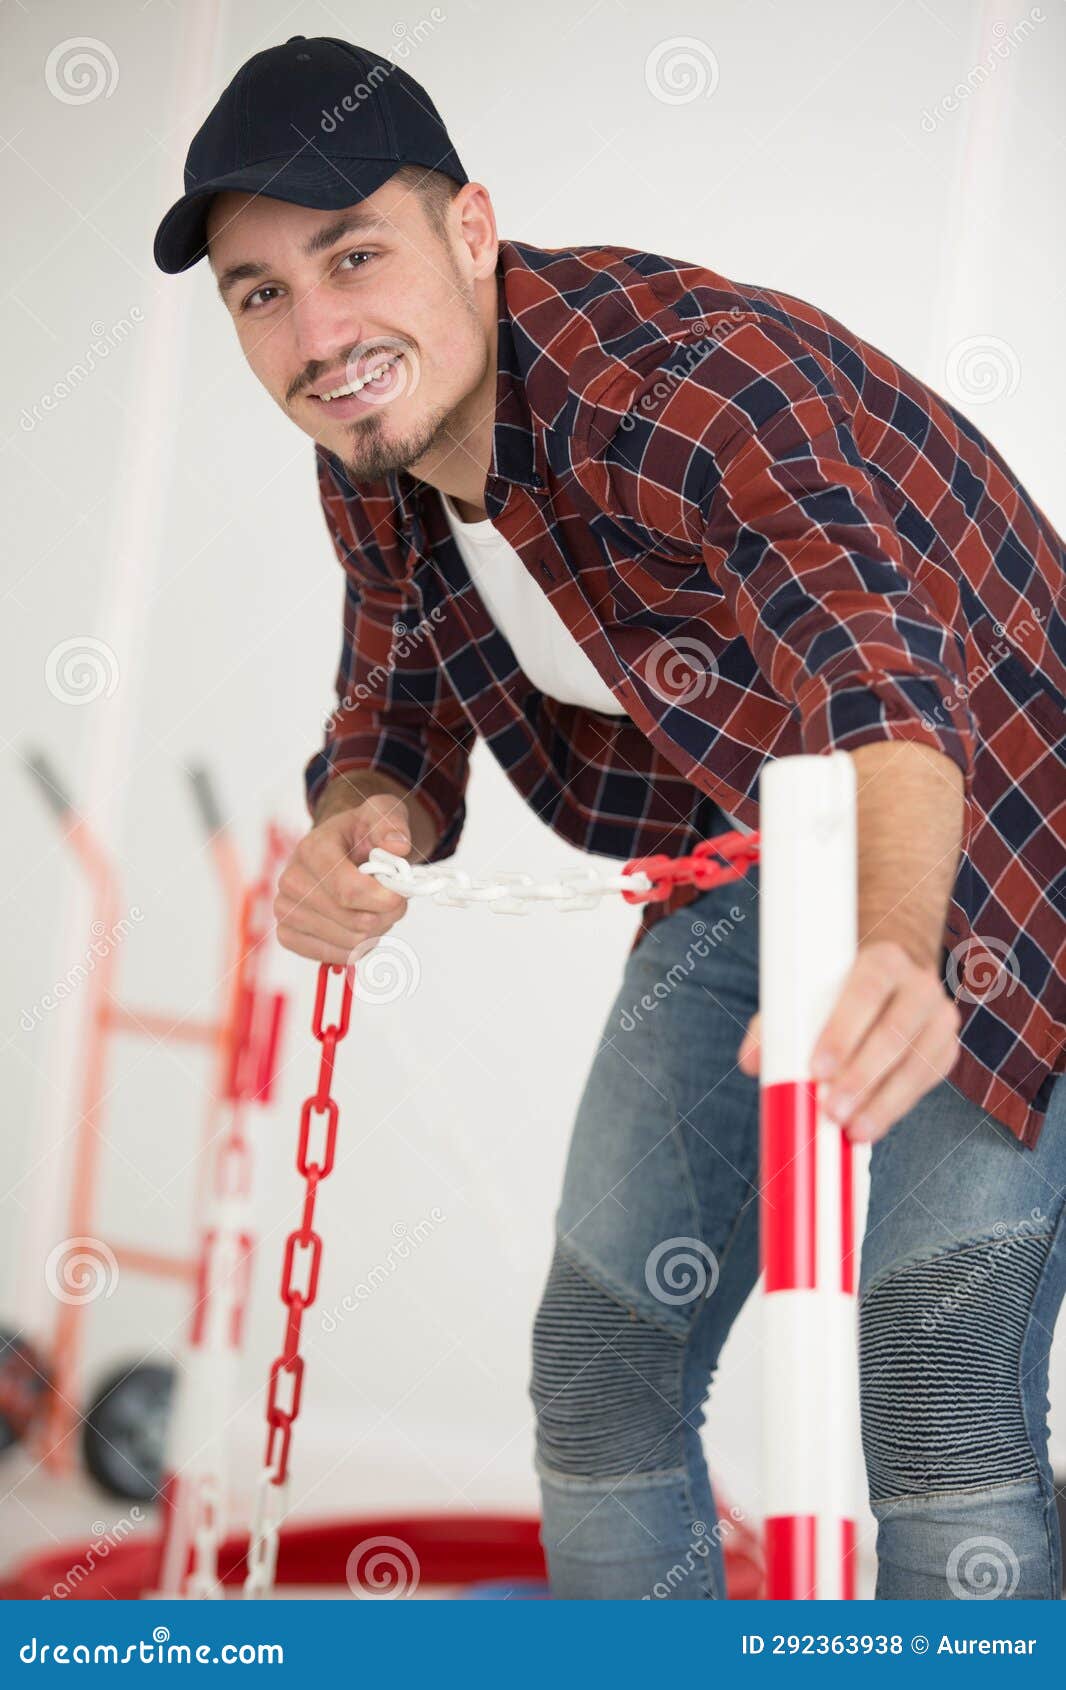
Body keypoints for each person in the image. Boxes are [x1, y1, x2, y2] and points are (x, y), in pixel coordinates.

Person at [155, 35, 1066, 1599]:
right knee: (600, 1366)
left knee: (935, 1384)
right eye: (260, 292)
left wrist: (893, 948)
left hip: (1001, 819)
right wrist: (358, 822)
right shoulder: (371, 454)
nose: (319, 332)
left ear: (470, 228)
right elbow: (395, 709)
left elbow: (876, 680)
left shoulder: (693, 387)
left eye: (351, 255)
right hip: (755, 839)